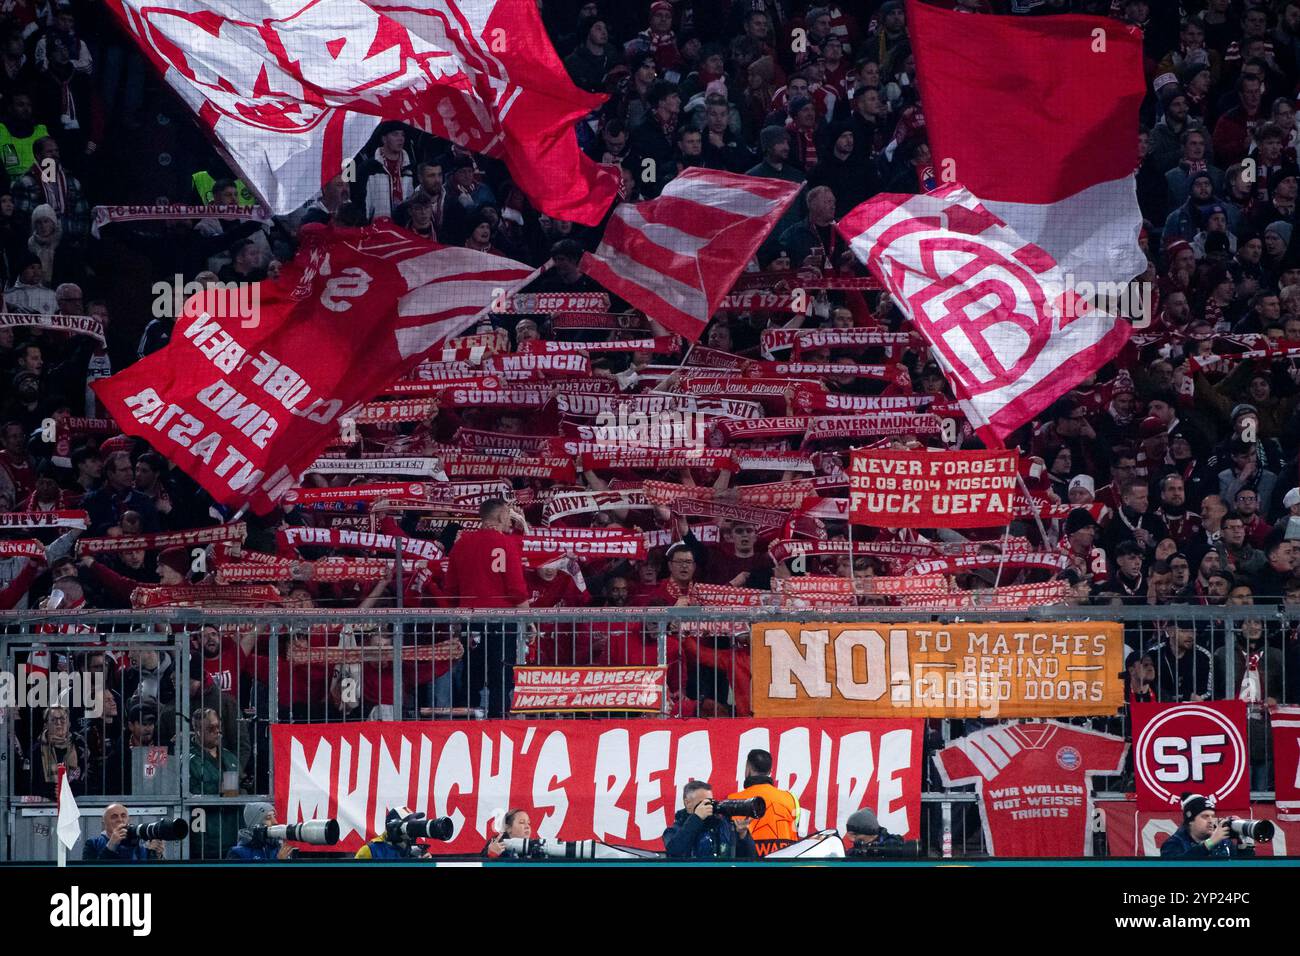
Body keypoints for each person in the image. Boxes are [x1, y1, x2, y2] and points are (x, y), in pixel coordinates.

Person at [445, 498, 530, 717]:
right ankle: (498, 727)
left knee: (471, 677)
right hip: (502, 624)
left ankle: (466, 728)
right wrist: (531, 621)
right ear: (502, 516)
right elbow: (517, 590)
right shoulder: (505, 544)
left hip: (470, 622)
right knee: (500, 679)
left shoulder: (461, 544)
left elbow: (451, 588)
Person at [663, 780, 756, 860]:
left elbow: (750, 858)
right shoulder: (674, 830)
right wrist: (696, 818)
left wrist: (743, 836)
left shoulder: (723, 825)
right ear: (687, 803)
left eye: (711, 802)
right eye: (704, 803)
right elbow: (674, 852)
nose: (709, 807)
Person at [727, 748, 800, 848]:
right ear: (770, 770)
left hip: (750, 862)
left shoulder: (732, 801)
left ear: (748, 768)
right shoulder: (790, 799)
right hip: (784, 861)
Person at [1160, 794, 1255, 858]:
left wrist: (1244, 841)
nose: (1211, 821)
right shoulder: (1173, 844)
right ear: (1190, 821)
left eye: (1213, 816)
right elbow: (1180, 864)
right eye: (1205, 816)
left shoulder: (1224, 842)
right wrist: (1210, 842)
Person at [81, 803, 165, 861]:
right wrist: (111, 845)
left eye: (123, 816)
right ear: (104, 822)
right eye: (114, 817)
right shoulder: (93, 844)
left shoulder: (139, 845)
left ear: (128, 819)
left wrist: (156, 855)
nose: (120, 820)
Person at [228, 802, 293, 861]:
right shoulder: (237, 853)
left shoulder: (278, 849)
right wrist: (278, 863)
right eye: (268, 818)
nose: (275, 822)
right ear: (256, 824)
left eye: (274, 816)